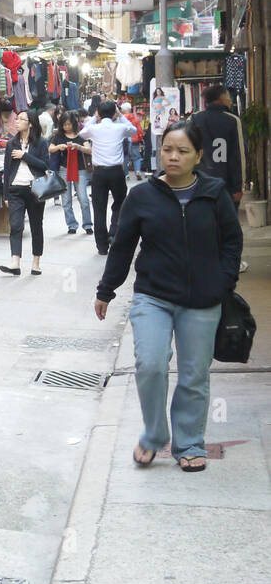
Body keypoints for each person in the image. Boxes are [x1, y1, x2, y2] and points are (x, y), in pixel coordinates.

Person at [95, 120, 242, 473]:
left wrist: (223, 281)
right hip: (154, 297)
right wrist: (106, 289)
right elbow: (123, 245)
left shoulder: (213, 192)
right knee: (150, 364)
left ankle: (190, 442)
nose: (173, 157)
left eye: (182, 151)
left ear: (198, 156)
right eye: (167, 150)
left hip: (202, 301)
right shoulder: (142, 195)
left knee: (193, 375)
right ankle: (153, 434)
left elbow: (232, 241)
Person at [190, 83, 248, 272]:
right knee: (229, 226)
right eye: (228, 97)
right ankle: (231, 262)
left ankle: (205, 260)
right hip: (225, 183)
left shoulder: (194, 119)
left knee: (202, 222)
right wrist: (240, 186)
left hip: (197, 181)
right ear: (221, 99)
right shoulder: (232, 120)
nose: (230, 101)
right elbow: (238, 155)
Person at [80, 101, 138, 255]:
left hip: (99, 173)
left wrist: (94, 117)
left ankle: (102, 246)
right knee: (119, 203)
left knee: (99, 209)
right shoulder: (120, 127)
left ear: (98, 113)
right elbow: (133, 130)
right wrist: (120, 115)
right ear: (114, 113)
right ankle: (113, 232)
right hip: (116, 172)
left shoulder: (94, 128)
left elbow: (82, 133)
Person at [0, 109, 50, 276]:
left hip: (35, 189)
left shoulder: (41, 143)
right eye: (17, 118)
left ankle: (36, 262)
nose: (17, 121)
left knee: (36, 226)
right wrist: (6, 194)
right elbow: (7, 171)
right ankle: (15, 262)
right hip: (15, 189)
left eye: (22, 119)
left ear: (30, 123)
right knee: (15, 226)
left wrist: (24, 156)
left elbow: (45, 165)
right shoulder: (11, 144)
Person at [49, 112, 93, 235]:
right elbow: (50, 148)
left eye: (69, 124)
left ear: (74, 124)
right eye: (64, 125)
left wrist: (78, 146)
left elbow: (89, 149)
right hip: (64, 169)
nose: (67, 127)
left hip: (80, 170)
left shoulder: (81, 136)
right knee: (66, 200)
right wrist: (59, 147)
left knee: (83, 198)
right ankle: (72, 225)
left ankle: (87, 224)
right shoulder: (58, 136)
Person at [120, 101, 144, 181]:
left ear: (122, 110)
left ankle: (126, 174)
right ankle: (137, 171)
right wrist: (140, 139)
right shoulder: (135, 119)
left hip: (124, 141)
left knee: (125, 158)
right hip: (134, 140)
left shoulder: (120, 119)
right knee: (136, 157)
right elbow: (140, 131)